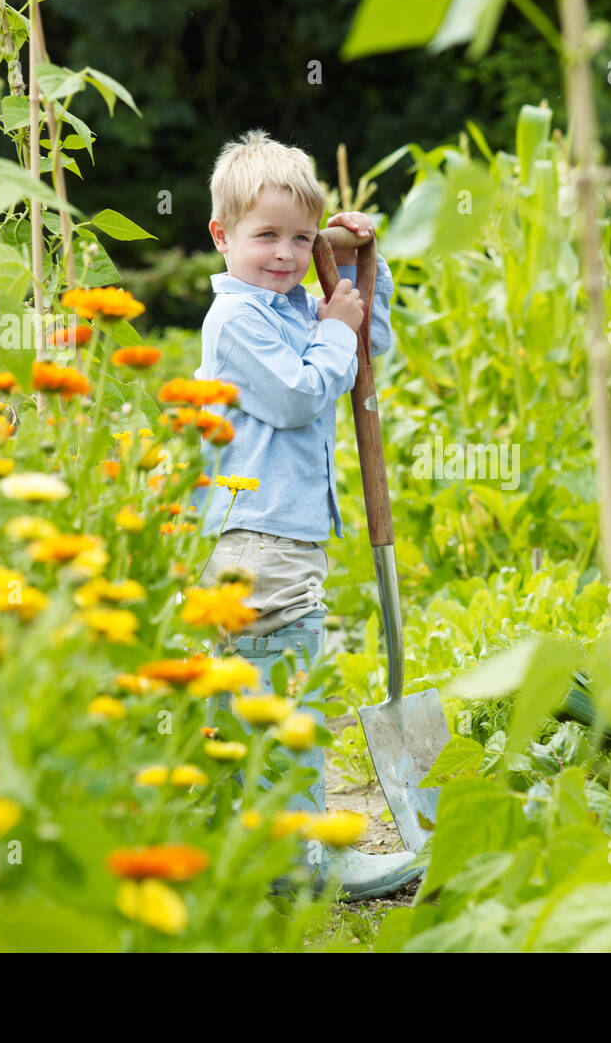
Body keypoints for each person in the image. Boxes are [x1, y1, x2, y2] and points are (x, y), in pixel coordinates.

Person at [192, 129, 417, 899]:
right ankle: (299, 863)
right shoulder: (239, 322)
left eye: (298, 238)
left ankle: (263, 852)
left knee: (267, 691)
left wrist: (357, 273)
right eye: (265, 237)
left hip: (286, 536)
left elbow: (361, 347)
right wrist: (332, 325)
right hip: (258, 539)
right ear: (222, 235)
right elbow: (296, 394)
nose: (285, 255)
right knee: (288, 694)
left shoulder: (290, 306)